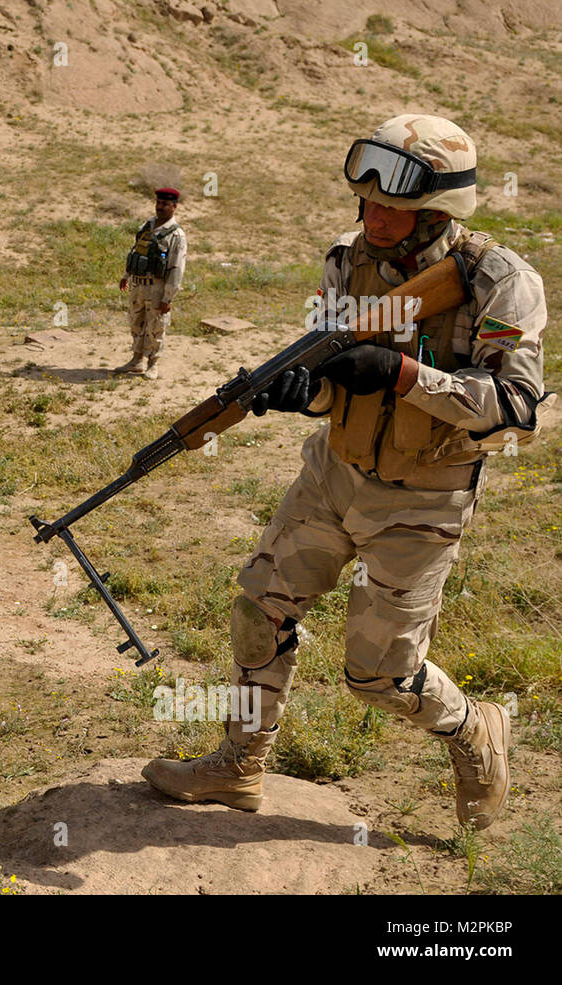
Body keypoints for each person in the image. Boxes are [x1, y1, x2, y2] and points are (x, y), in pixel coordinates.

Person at [142, 115, 550, 831]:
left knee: (379, 677)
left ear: (440, 209)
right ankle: (240, 763)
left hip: (421, 505)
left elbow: (518, 410)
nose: (376, 216)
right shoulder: (346, 260)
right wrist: (307, 392)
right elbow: (337, 379)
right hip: (332, 478)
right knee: (257, 610)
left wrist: (403, 374)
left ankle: (473, 727)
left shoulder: (498, 281)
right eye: (368, 200)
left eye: (396, 204)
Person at [118, 188, 186, 379]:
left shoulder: (176, 235)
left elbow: (176, 268)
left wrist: (168, 297)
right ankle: (136, 360)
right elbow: (136, 252)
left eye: (165, 204)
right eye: (158, 203)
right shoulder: (146, 226)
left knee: (156, 326)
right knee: (136, 322)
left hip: (157, 287)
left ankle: (153, 364)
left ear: (174, 207)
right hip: (138, 284)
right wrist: (126, 275)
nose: (160, 207)